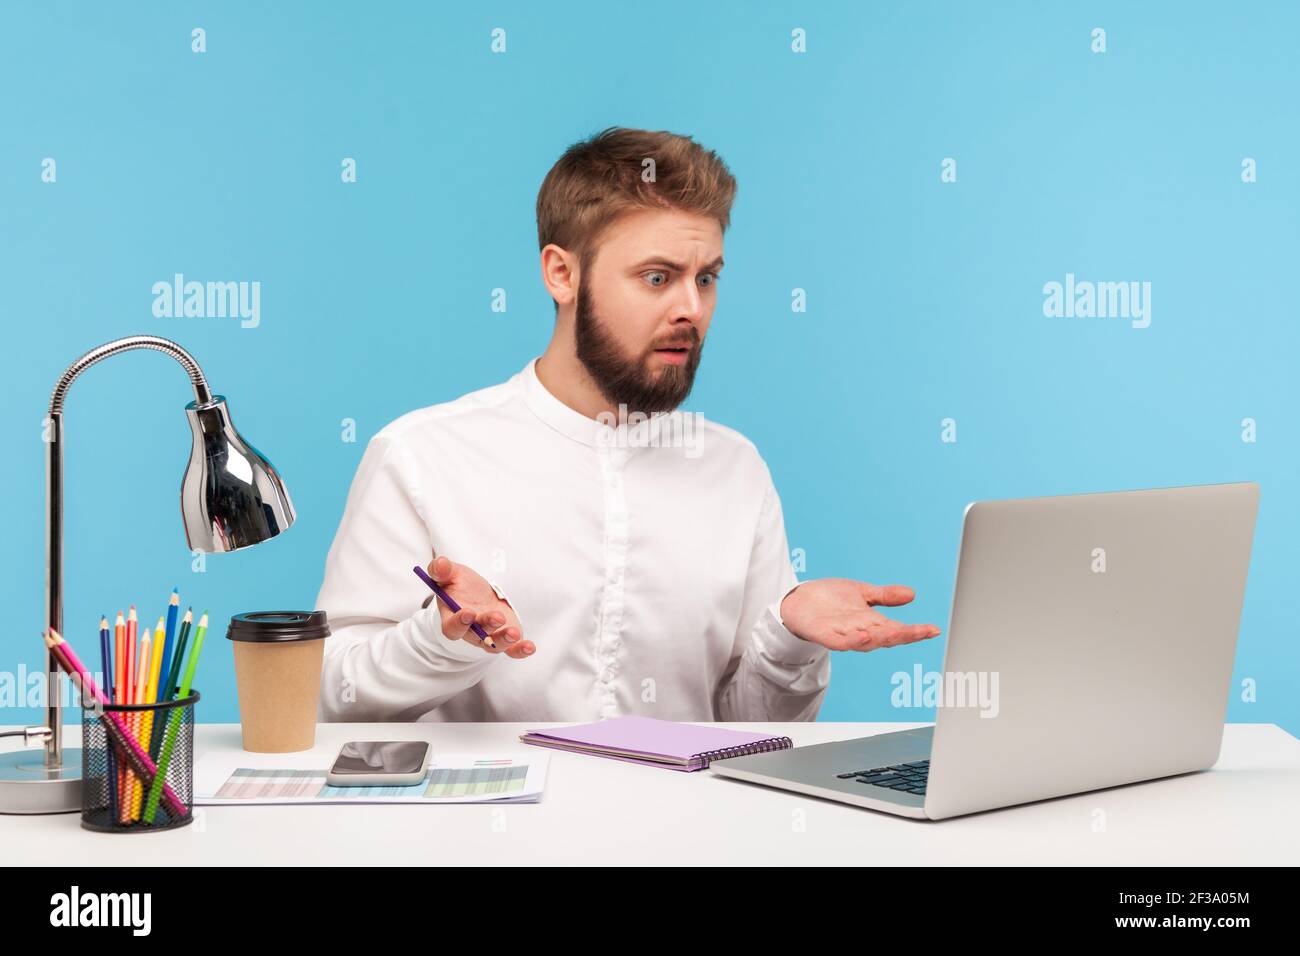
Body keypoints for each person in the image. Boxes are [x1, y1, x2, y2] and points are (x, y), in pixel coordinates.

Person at [315, 126, 940, 723]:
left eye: (706, 278)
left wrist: (790, 639)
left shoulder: (734, 468)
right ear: (562, 274)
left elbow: (749, 730)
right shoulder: (420, 455)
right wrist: (441, 637)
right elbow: (334, 696)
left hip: (686, 803)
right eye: (657, 277)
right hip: (493, 803)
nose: (691, 309)